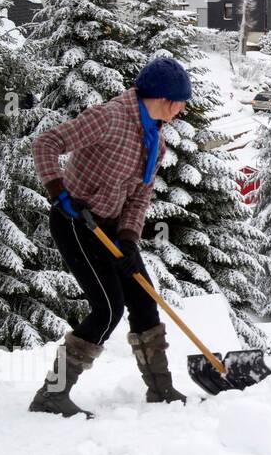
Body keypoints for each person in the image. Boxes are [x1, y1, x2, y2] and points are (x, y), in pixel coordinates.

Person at [29, 56, 193, 418]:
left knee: (145, 301)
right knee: (107, 309)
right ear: (166, 98)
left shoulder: (156, 142)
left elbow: (139, 196)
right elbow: (46, 144)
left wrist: (130, 239)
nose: (182, 108)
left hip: (112, 229)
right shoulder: (110, 117)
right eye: (181, 101)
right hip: (75, 221)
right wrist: (59, 191)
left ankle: (160, 388)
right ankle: (51, 394)